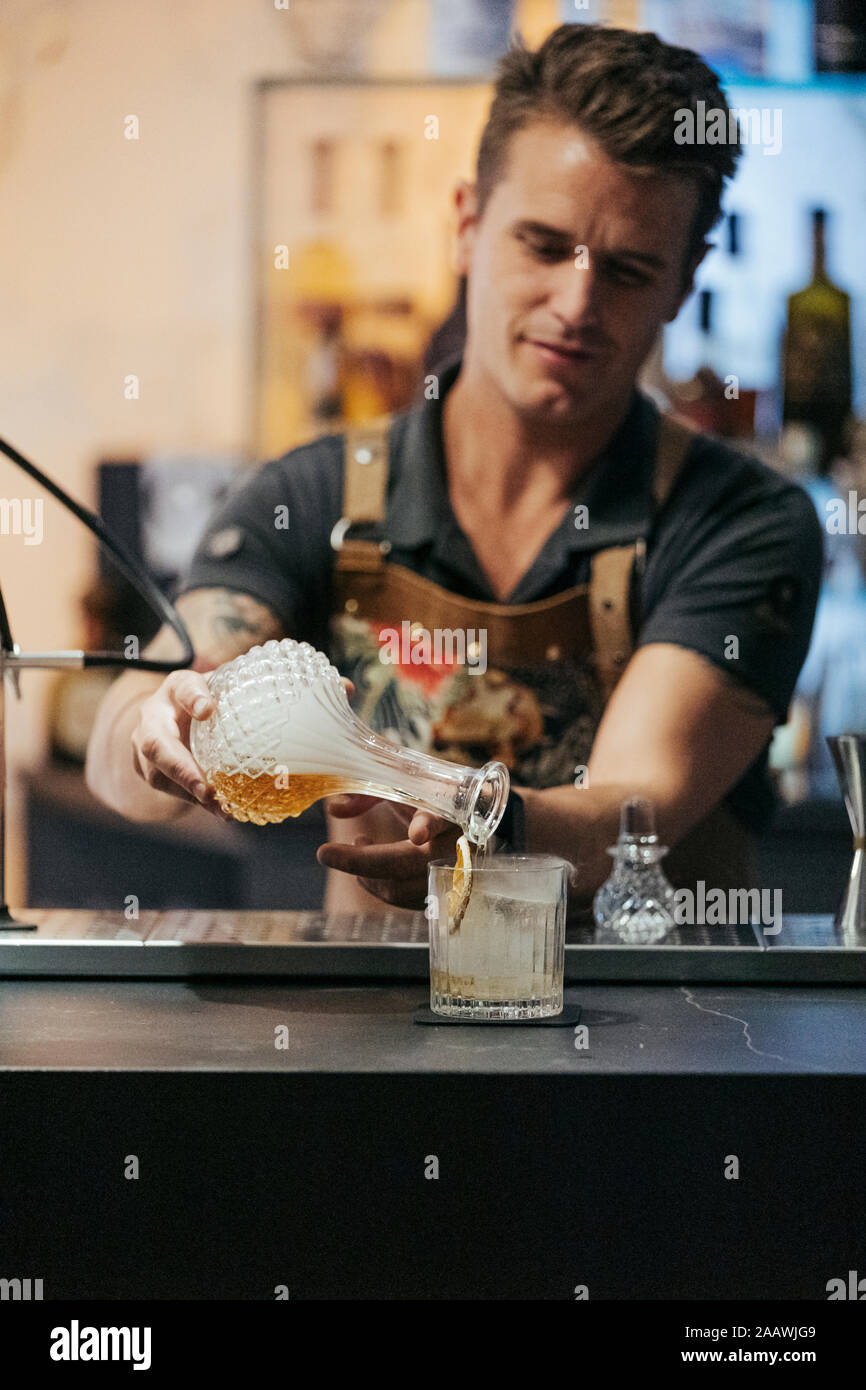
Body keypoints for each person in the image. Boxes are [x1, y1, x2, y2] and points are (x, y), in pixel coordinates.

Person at [86, 24, 823, 915]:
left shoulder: (743, 519)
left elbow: (630, 812)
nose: (576, 303)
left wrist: (473, 820)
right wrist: (152, 733)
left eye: (628, 270)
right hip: (378, 1034)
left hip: (659, 1032)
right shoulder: (316, 496)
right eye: (544, 246)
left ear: (686, 280)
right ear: (468, 225)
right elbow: (135, 729)